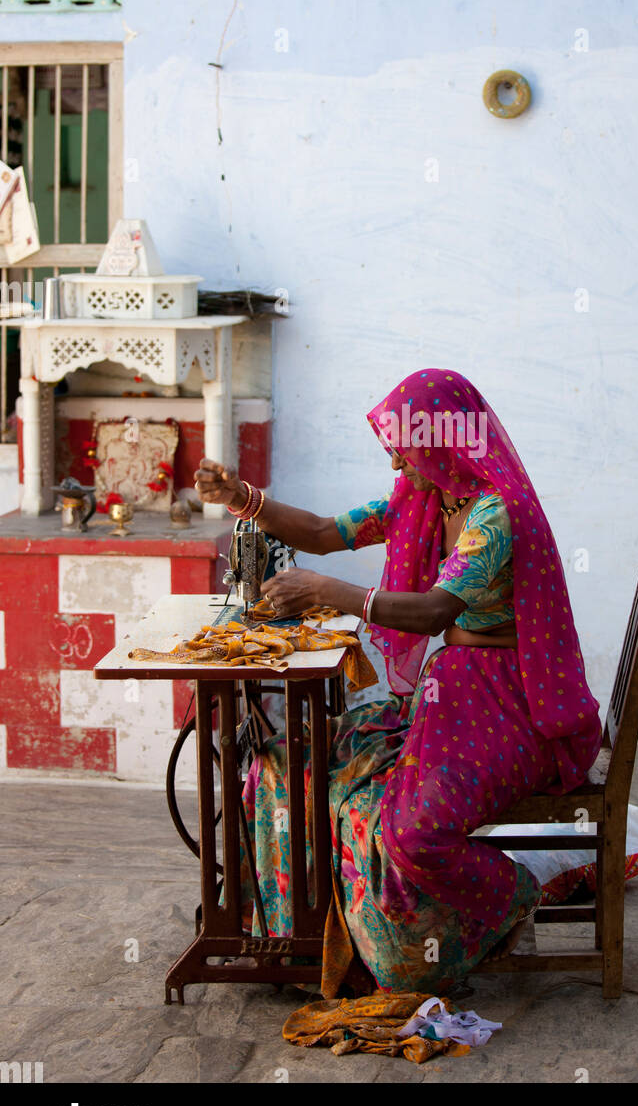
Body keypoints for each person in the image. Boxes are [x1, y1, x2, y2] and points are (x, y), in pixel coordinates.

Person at [194, 368, 601, 994]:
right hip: (455, 690)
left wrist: (336, 595)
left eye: (401, 446)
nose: (392, 460)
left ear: (442, 442)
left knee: (412, 833)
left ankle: (513, 894)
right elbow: (327, 534)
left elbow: (439, 610)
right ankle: (291, 940)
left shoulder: (493, 514)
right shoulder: (425, 499)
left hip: (510, 700)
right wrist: (244, 496)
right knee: (289, 758)